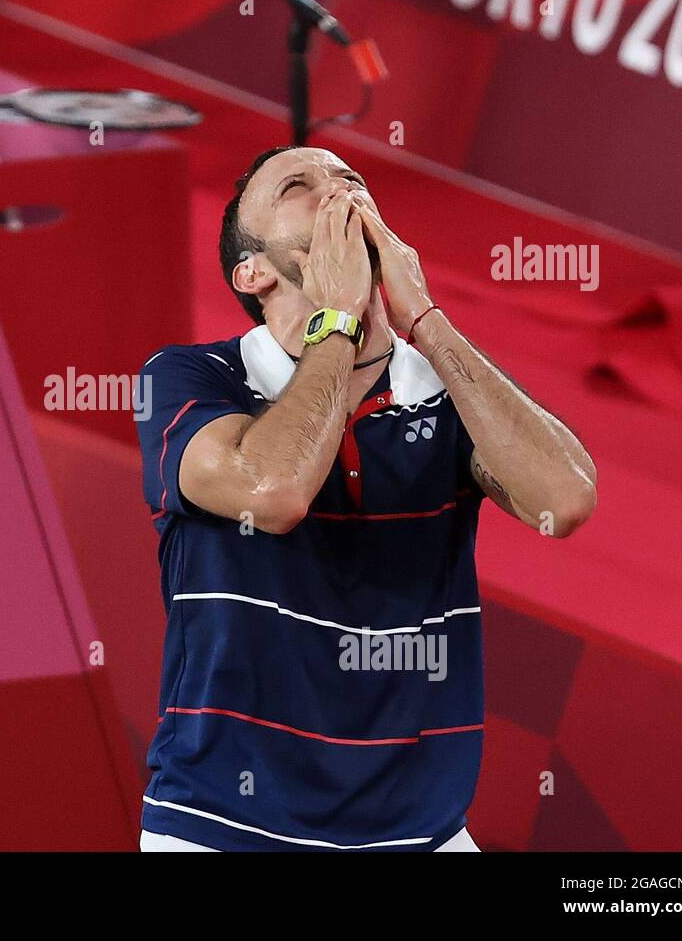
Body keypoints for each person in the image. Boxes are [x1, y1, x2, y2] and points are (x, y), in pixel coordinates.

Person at [135, 145, 597, 852]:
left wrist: (429, 325)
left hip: (423, 835)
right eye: (299, 185)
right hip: (223, 825)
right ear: (251, 270)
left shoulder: (442, 392)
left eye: (352, 180)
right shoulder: (193, 378)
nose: (338, 192)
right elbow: (276, 490)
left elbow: (563, 501)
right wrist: (337, 323)